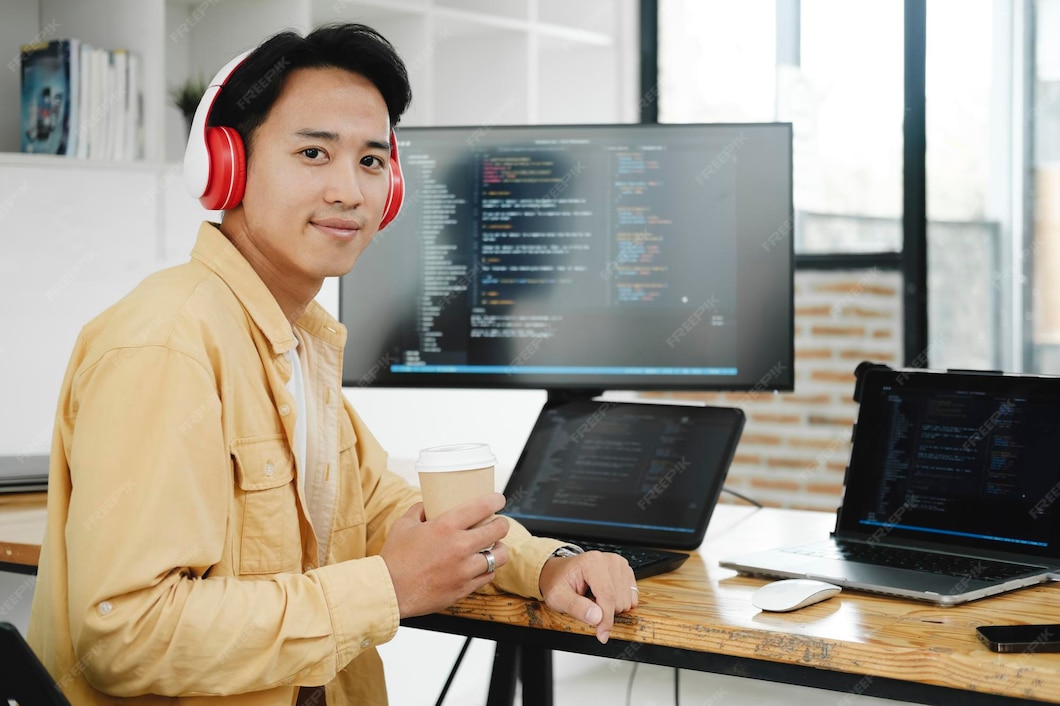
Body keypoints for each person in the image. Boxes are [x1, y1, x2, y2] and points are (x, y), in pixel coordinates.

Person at [26, 22, 636, 705]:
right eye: (314, 152)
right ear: (226, 166)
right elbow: (126, 637)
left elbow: (388, 511)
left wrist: (548, 565)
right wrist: (386, 588)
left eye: (372, 162)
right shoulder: (167, 344)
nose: (350, 190)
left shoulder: (298, 344)